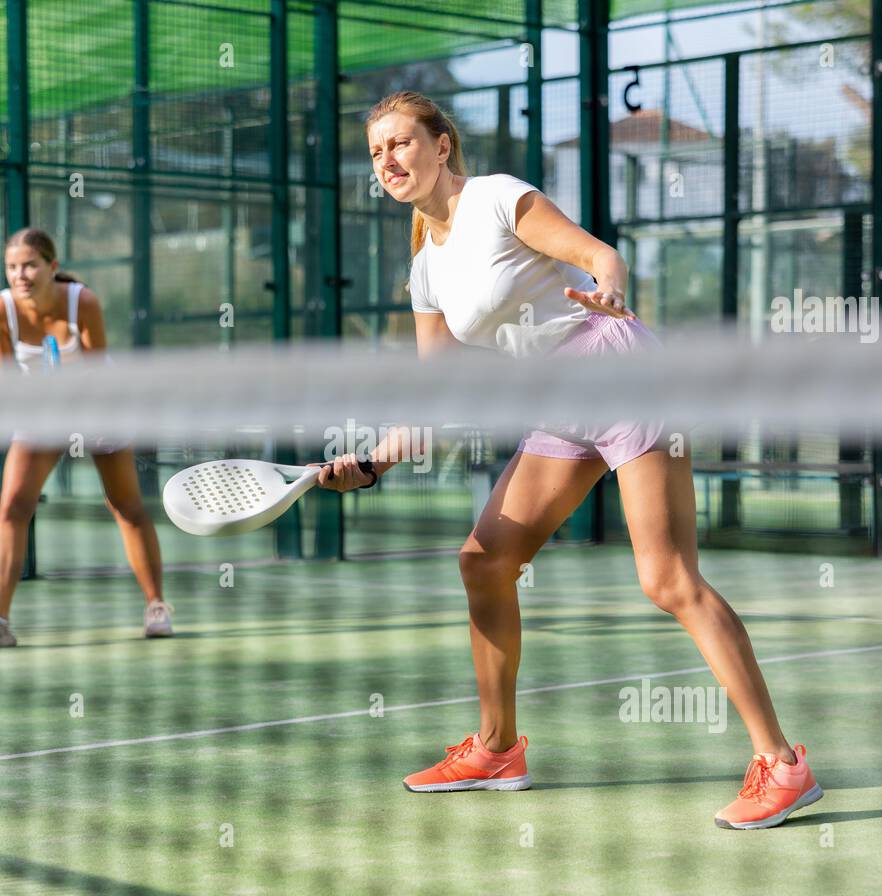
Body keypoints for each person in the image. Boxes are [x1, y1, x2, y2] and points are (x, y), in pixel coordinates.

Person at [317, 91, 821, 830]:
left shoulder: (497, 198)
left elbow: (597, 254)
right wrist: (373, 464)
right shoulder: (426, 260)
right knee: (484, 561)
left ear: (441, 145)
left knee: (667, 578)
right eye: (375, 152)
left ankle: (782, 765)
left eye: (399, 144)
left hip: (617, 369)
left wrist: (610, 286)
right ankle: (495, 750)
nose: (386, 161)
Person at [0, 228, 175, 650]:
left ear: (52, 267)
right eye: (12, 267)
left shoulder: (82, 302)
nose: (21, 274)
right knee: (13, 507)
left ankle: (156, 606)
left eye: (30, 265)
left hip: (99, 405)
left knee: (126, 506)